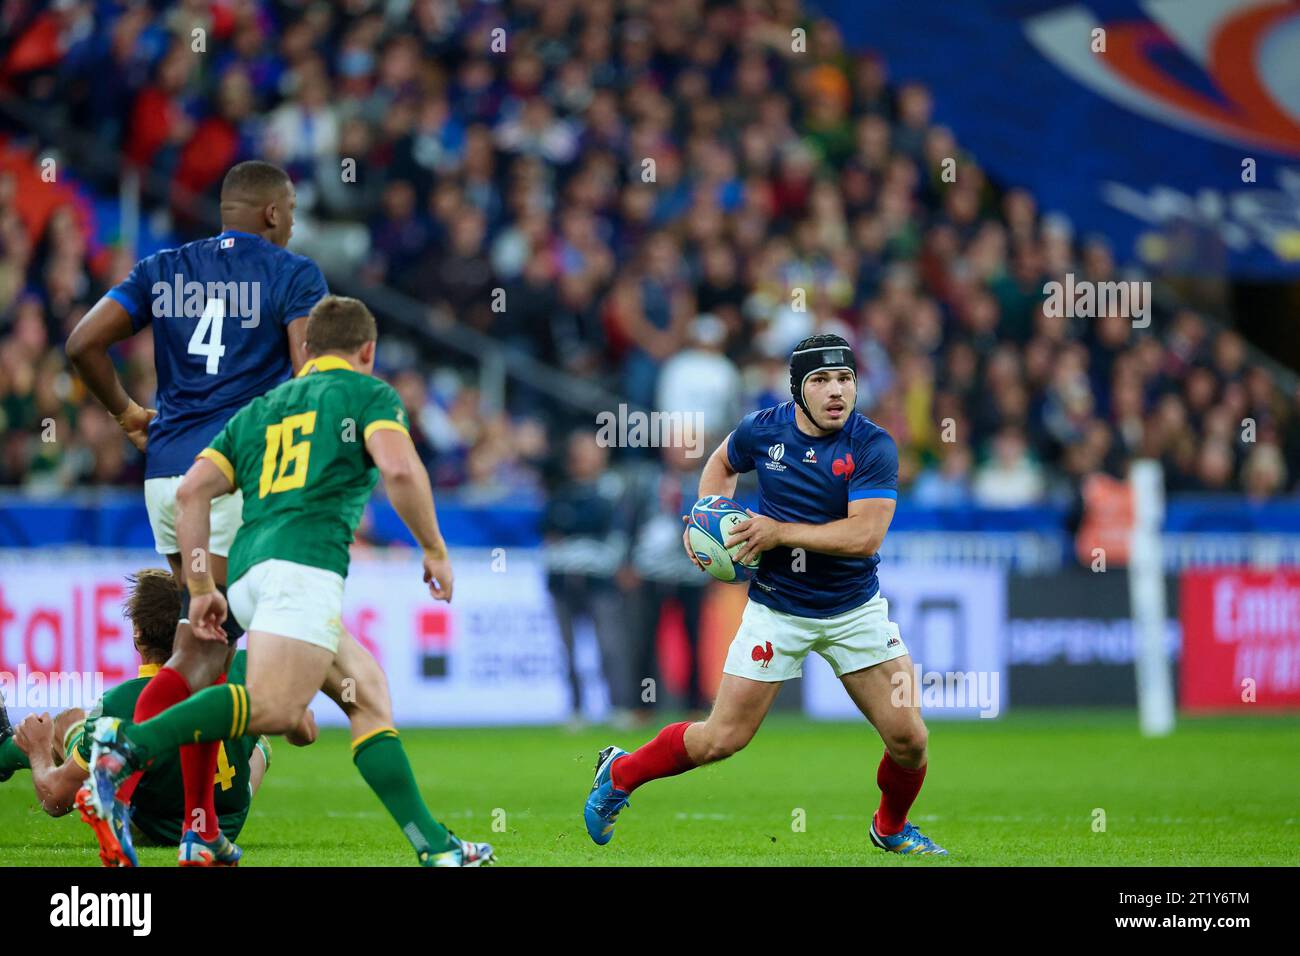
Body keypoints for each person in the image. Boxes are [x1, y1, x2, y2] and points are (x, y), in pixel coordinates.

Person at [80, 295, 494, 867]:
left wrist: (201, 585)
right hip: (303, 569)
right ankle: (126, 749)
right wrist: (434, 548)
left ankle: (436, 848)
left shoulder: (264, 407)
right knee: (275, 709)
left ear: (306, 350)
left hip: (246, 571)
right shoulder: (366, 394)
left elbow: (191, 492)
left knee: (364, 692)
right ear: (367, 351)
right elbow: (399, 467)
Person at [583, 333, 947, 856]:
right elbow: (722, 464)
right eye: (821, 380)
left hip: (853, 610)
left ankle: (889, 827)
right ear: (798, 389)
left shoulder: (872, 445)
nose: (836, 391)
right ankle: (620, 771)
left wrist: (778, 531)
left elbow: (863, 536)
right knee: (721, 739)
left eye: (845, 379)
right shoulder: (763, 430)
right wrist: (707, 522)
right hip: (778, 608)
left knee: (910, 740)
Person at [65, 160, 329, 865]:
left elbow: (81, 343)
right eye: (293, 210)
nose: (294, 222)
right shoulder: (293, 274)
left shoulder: (163, 268)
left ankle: (198, 826)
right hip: (232, 476)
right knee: (201, 650)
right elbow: (310, 379)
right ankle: (121, 768)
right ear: (272, 214)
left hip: (167, 474)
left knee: (209, 647)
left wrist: (125, 413)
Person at [0, 570, 314, 866]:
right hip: (227, 823)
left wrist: (39, 750)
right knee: (256, 737)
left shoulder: (120, 701)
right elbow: (305, 729)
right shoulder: (244, 666)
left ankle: (5, 752)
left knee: (69, 724)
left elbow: (56, 800)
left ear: (138, 633)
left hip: (155, 829)